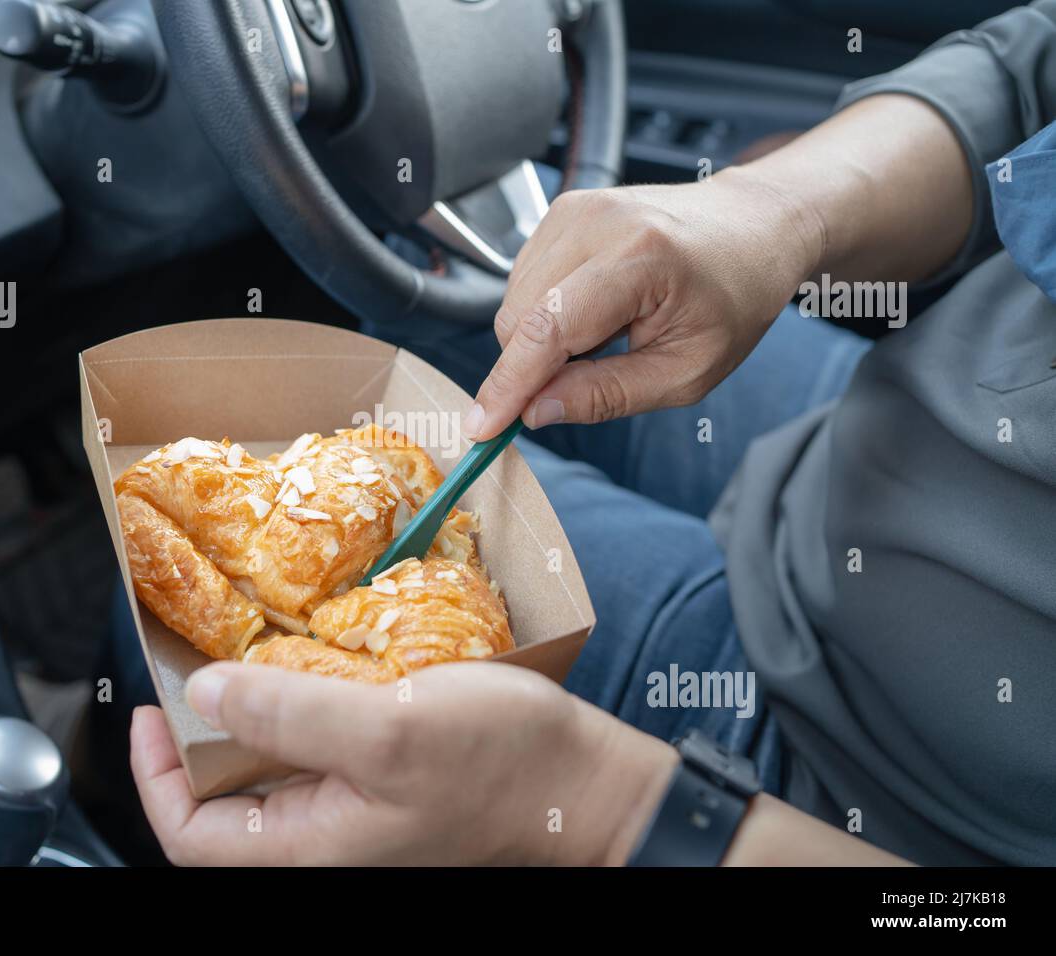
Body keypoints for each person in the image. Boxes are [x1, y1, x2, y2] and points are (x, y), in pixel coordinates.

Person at [128, 2, 1056, 865]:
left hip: (860, 767)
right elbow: (1032, 77)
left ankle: (99, 796)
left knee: (167, 646)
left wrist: (604, 809)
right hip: (874, 419)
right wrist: (774, 211)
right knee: (443, 305)